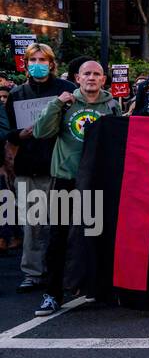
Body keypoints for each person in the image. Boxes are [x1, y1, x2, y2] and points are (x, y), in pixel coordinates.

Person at [32, 59, 121, 315]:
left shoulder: (112, 105)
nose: (91, 78)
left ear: (103, 79)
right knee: (58, 237)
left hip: (98, 180)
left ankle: (95, 286)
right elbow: (41, 133)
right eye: (86, 74)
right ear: (77, 78)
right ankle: (52, 293)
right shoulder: (65, 103)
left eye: (96, 74)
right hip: (66, 179)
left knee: (97, 235)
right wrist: (57, 103)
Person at [5, 43, 74, 292]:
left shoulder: (66, 90)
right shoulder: (17, 94)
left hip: (59, 166)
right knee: (32, 225)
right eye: (33, 59)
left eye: (43, 59)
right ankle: (33, 272)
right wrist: (20, 135)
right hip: (29, 167)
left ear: (52, 63)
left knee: (60, 224)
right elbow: (9, 132)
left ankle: (62, 271)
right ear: (26, 63)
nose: (38, 63)